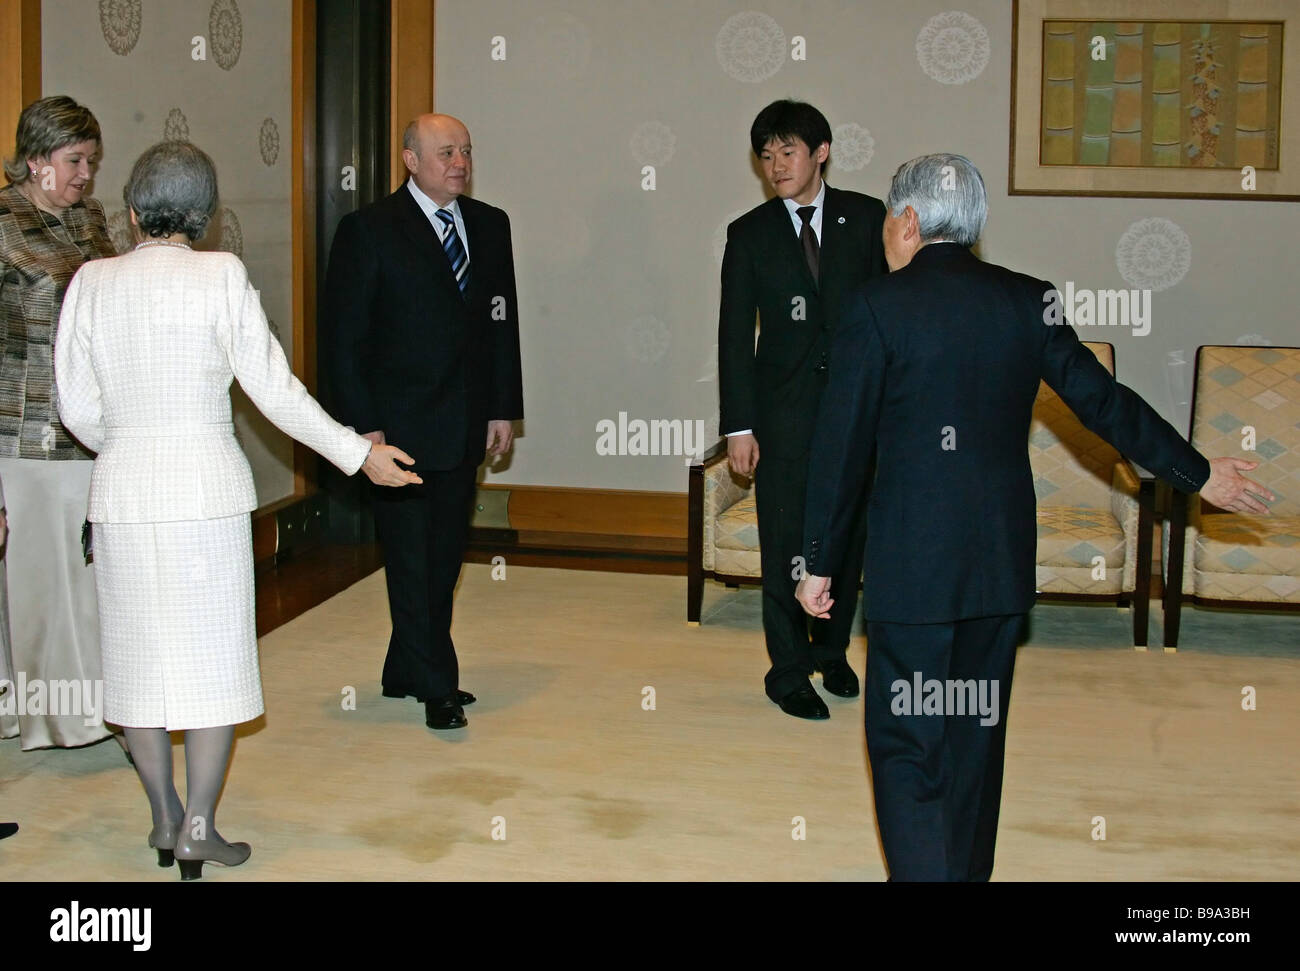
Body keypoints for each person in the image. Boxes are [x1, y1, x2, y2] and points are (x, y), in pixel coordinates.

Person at [795, 153, 1274, 881]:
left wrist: (817, 560)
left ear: (908, 221)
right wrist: (1196, 471)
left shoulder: (872, 308)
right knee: (973, 740)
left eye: (890, 222)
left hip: (913, 567)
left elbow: (840, 448)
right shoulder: (1028, 300)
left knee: (906, 744)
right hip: (997, 565)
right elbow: (1103, 402)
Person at [54, 141, 420, 880]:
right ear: (207, 215)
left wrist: (129, 442)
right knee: (211, 667)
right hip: (206, 498)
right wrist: (359, 453)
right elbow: (276, 393)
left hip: (122, 497)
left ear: (130, 210)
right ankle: (199, 825)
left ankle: (160, 816)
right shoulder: (221, 274)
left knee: (134, 669)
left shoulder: (91, 280)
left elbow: (75, 406)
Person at [320, 113, 523, 731]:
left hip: (463, 424)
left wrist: (502, 407)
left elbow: (501, 323)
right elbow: (343, 338)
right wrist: (363, 428)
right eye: (444, 152)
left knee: (444, 555)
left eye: (465, 150)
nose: (458, 162)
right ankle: (438, 682)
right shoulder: (369, 230)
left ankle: (404, 667)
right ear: (410, 160)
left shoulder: (490, 225)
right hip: (397, 429)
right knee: (411, 556)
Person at [718, 99, 886, 720]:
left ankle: (832, 649)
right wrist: (739, 425)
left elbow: (890, 320)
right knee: (785, 542)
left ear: (821, 153)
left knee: (846, 539)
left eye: (787, 151)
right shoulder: (750, 233)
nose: (774, 165)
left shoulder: (869, 220)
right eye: (765, 155)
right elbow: (734, 336)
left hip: (855, 413)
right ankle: (786, 669)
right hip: (781, 415)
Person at [0, 95, 119, 751]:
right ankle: (50, 715)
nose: (85, 176)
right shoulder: (2, 220)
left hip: (90, 424)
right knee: (43, 581)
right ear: (36, 159)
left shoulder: (91, 219)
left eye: (92, 163)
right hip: (23, 432)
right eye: (75, 161)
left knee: (87, 575)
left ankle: (92, 707)